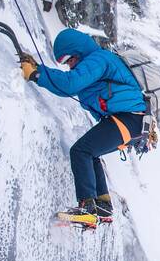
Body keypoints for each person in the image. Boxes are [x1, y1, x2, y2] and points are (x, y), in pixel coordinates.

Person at [20, 28, 146, 227]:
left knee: (81, 151)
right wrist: (40, 69)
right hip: (131, 122)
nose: (69, 65)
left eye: (70, 60)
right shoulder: (95, 63)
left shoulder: (98, 60)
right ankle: (102, 206)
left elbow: (70, 84)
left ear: (78, 51)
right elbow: (71, 80)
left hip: (127, 119)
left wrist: (36, 75)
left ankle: (87, 208)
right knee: (91, 153)